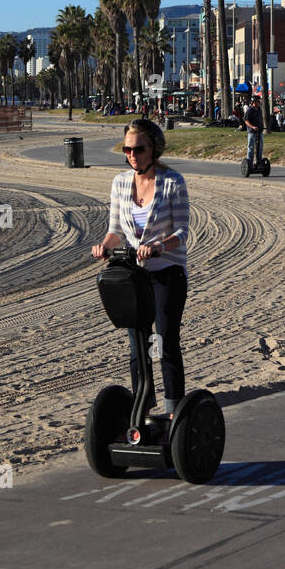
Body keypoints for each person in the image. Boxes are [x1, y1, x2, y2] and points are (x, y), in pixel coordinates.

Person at [91, 119, 188, 416]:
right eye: (127, 150)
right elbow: (116, 229)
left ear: (154, 149)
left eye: (139, 149)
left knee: (166, 341)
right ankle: (142, 411)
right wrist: (105, 246)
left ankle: (174, 411)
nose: (133, 155)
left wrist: (159, 246)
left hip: (167, 274)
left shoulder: (173, 182)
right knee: (138, 345)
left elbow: (182, 232)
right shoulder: (120, 182)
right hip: (135, 276)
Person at [244, 95, 264, 166]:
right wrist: (252, 127)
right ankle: (249, 162)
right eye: (257, 102)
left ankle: (259, 161)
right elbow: (246, 120)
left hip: (259, 131)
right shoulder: (249, 110)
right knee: (251, 147)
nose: (258, 103)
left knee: (260, 147)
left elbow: (261, 119)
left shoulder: (259, 110)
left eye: (259, 101)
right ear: (253, 102)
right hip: (252, 132)